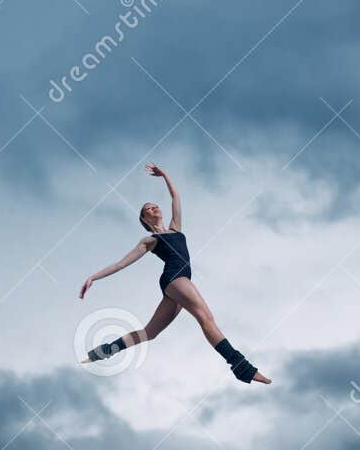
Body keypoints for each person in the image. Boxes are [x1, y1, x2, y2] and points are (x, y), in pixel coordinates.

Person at [79, 164, 271, 384]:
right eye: (148, 209)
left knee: (149, 333)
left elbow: (175, 195)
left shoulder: (176, 228)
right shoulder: (150, 240)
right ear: (144, 220)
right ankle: (242, 368)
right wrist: (93, 276)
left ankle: (103, 351)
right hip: (174, 278)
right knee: (206, 318)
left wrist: (164, 175)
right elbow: (122, 264)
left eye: (155, 206)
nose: (154, 209)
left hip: (178, 282)